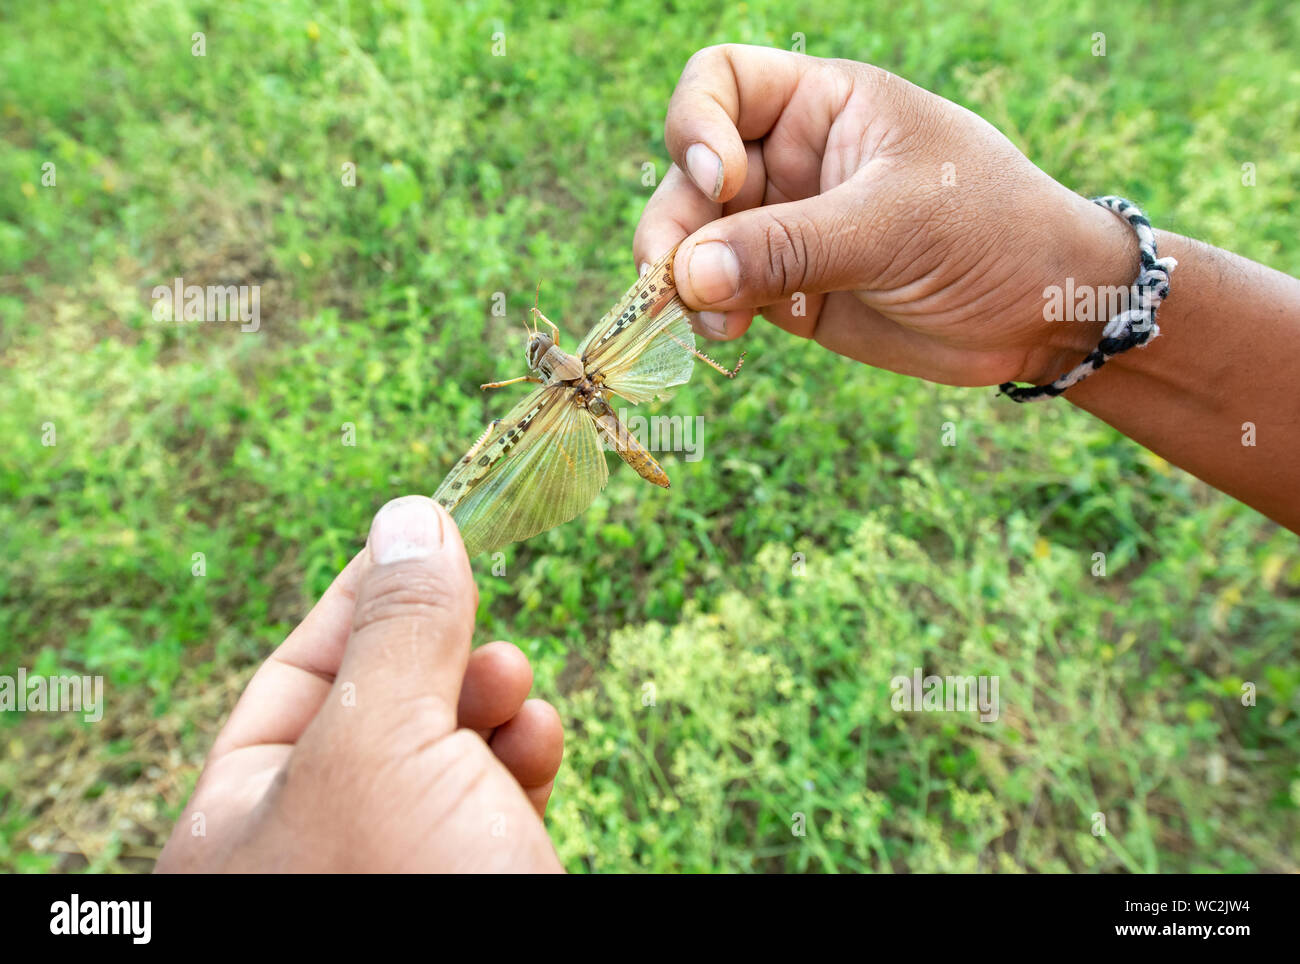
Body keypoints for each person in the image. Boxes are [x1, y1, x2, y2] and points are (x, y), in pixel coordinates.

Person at [158, 45, 1300, 872]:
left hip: (598, 406)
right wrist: (1068, 296)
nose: (545, 353)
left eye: (547, 348)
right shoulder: (561, 382)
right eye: (545, 354)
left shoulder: (582, 366)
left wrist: (1063, 298)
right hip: (595, 409)